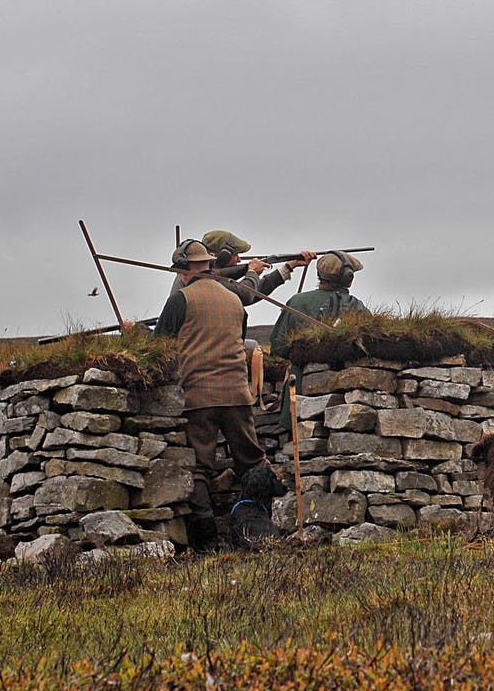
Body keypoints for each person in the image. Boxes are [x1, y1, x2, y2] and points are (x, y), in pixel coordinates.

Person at [153, 239, 270, 552]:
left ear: (184, 269)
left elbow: (159, 348)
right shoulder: (234, 299)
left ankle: (206, 542)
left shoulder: (180, 299)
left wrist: (130, 333)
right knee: (253, 462)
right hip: (238, 395)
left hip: (198, 398)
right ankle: (261, 529)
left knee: (201, 469)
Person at [168, 229, 316, 307]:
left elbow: (251, 292)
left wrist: (289, 266)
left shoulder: (204, 274)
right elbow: (246, 295)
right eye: (236, 255)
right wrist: (251, 271)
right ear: (223, 256)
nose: (239, 259)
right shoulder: (205, 277)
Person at [268, 251, 368, 358]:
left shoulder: (296, 301)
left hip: (299, 373)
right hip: (347, 373)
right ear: (348, 277)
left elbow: (278, 345)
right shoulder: (357, 306)